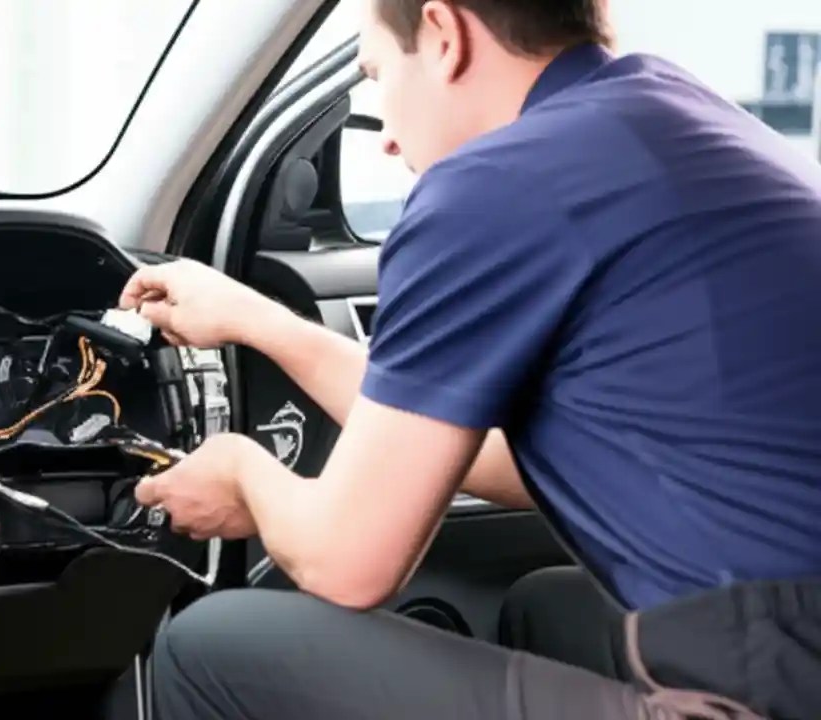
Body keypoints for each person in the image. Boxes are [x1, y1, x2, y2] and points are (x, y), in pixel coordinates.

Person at [118, 1, 821, 718]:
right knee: (545, 608)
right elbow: (519, 464)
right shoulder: (671, 119)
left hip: (770, 689)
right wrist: (263, 324)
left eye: (377, 73)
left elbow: (348, 563)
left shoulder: (496, 184)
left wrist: (244, 472)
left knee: (205, 649)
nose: (385, 138)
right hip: (789, 645)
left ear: (445, 35)